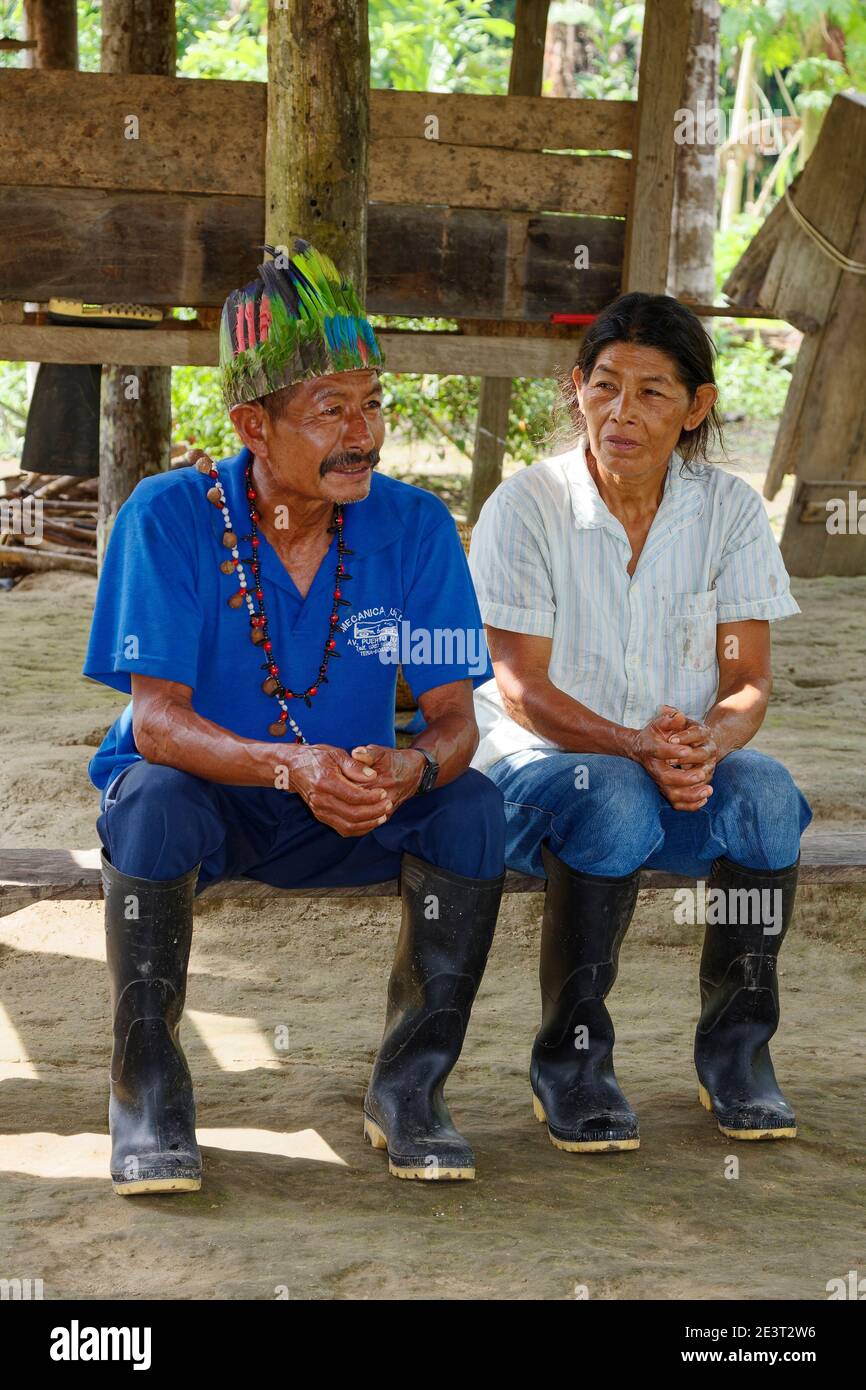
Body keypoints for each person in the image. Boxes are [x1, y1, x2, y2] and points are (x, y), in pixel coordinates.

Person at [83, 238, 505, 1194]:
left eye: (373, 405)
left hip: (353, 803)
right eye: (331, 411)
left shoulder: (416, 527)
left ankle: (410, 1093)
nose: (364, 434)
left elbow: (454, 719)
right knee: (150, 799)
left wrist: (411, 770)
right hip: (213, 804)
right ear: (252, 425)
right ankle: (149, 1096)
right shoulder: (169, 516)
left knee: (472, 806)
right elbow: (156, 724)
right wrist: (290, 766)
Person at [468, 292, 812, 1155]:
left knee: (768, 794)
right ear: (577, 389)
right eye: (604, 386)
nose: (622, 412)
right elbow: (519, 689)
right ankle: (572, 1063)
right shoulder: (528, 506)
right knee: (615, 793)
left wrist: (708, 742)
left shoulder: (728, 512)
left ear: (696, 407)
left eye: (653, 392)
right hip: (538, 775)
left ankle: (737, 1057)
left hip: (668, 775)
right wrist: (635, 746)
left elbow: (747, 680)